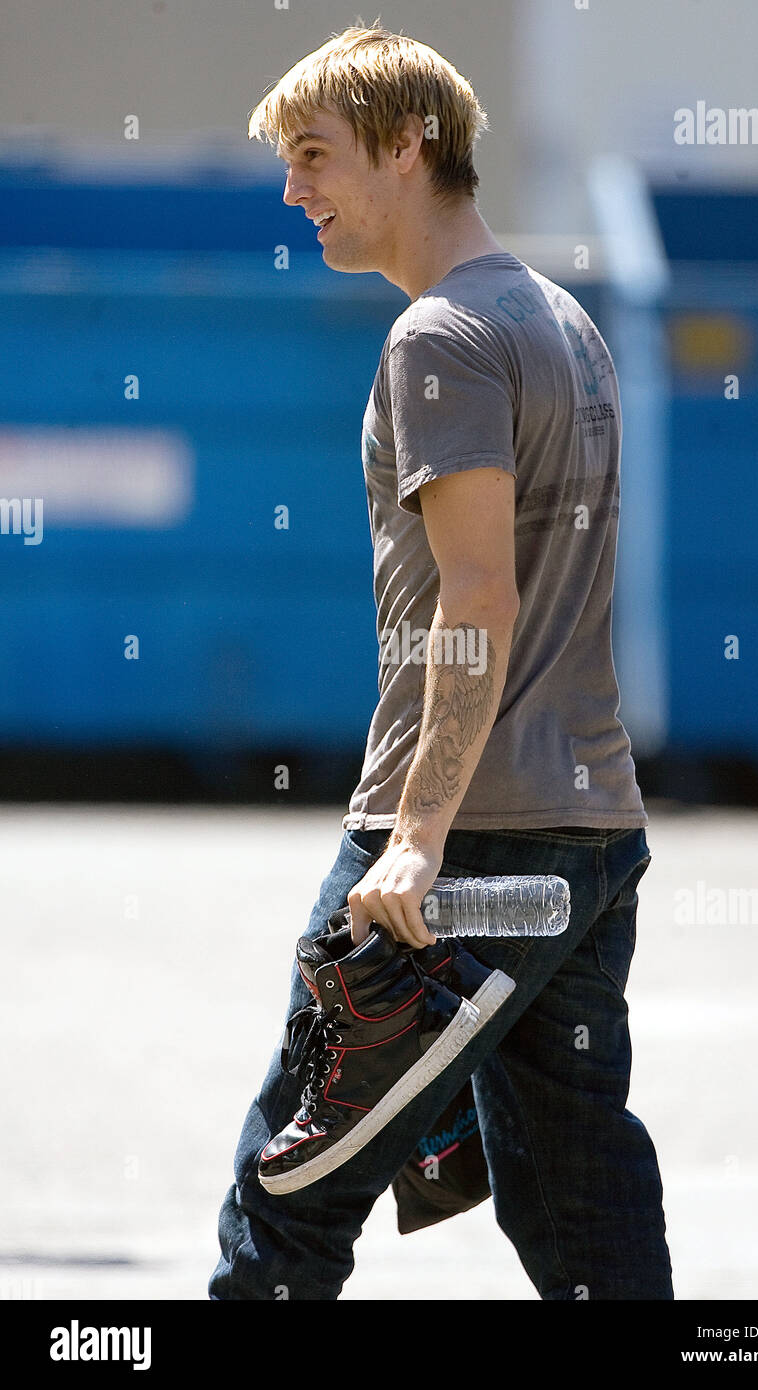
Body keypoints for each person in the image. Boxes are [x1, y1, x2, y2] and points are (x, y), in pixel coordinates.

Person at [209, 20, 673, 1301]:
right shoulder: (561, 317)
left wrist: (413, 835)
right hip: (587, 830)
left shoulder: (440, 339)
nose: (294, 189)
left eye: (315, 156)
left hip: (460, 844)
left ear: (410, 145)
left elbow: (478, 592)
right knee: (583, 1207)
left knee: (286, 1196)